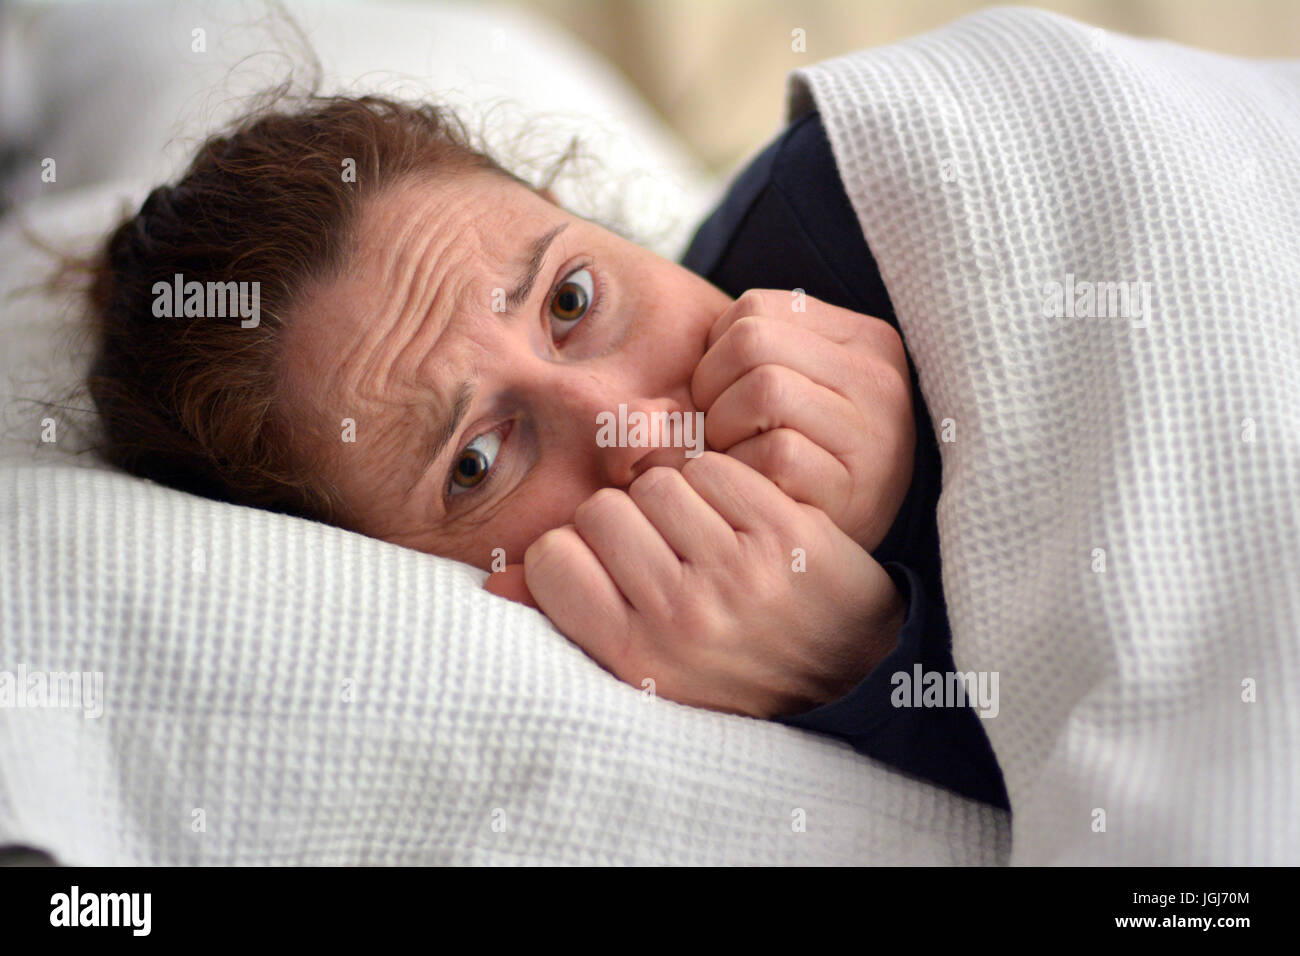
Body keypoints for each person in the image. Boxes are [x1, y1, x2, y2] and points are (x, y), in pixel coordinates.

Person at [76, 92, 1006, 809]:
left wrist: (941, 453)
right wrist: (860, 660)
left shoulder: (851, 194)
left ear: (573, 209)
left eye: (569, 301)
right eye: (475, 463)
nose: (636, 430)